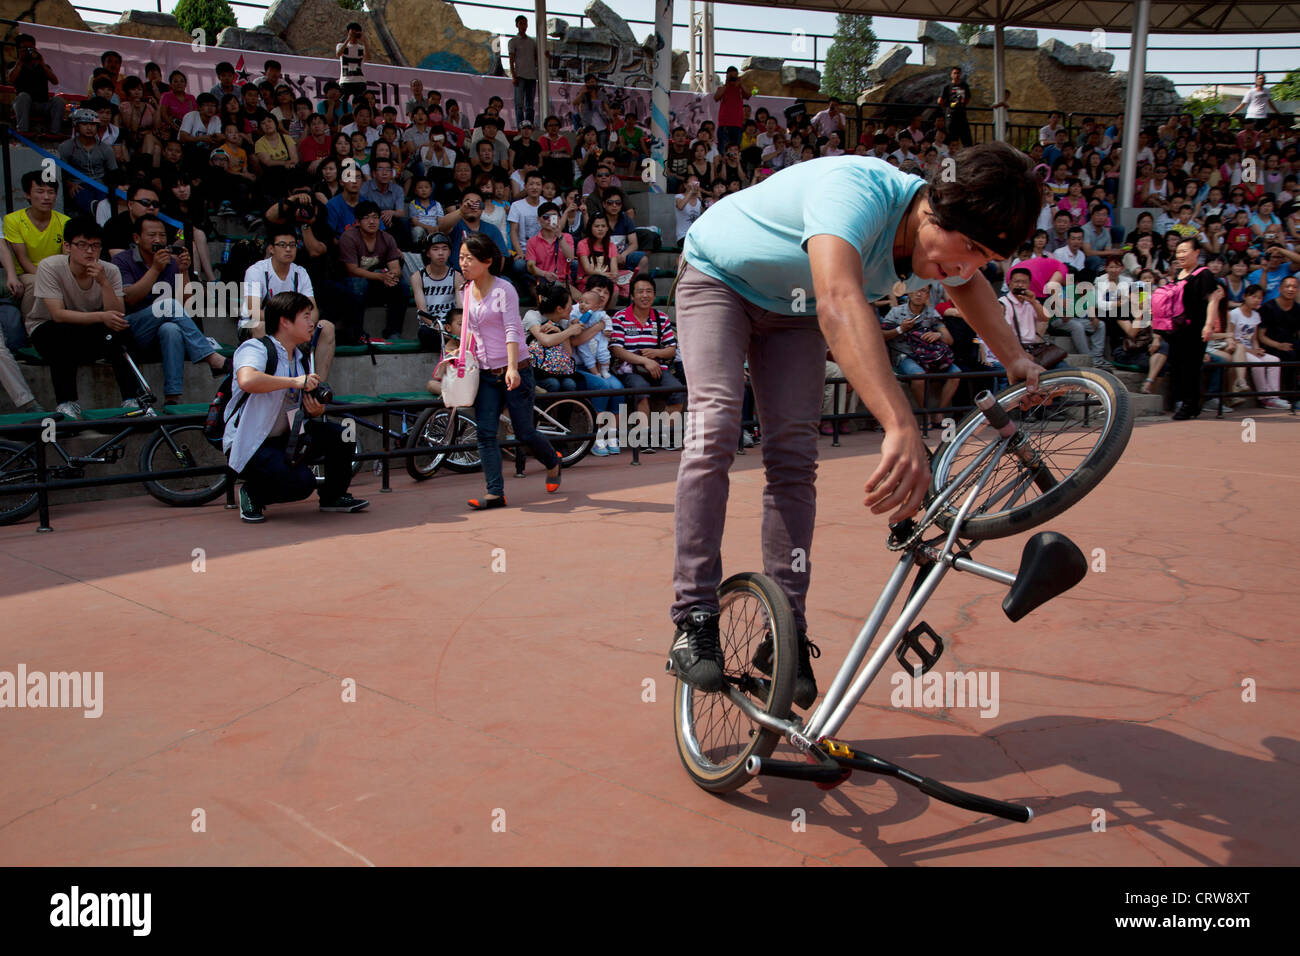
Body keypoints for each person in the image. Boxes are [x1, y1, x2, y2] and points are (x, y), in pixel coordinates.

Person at [669, 144, 1045, 705]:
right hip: (719, 280)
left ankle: (787, 630)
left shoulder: (952, 253)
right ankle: (693, 617)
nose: (965, 268)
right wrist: (899, 424)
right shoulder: (857, 190)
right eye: (965, 247)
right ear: (931, 206)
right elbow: (840, 301)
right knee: (716, 426)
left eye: (984, 256)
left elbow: (968, 288)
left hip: (791, 315)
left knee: (794, 458)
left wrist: (1015, 358)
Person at [225, 290, 368, 522]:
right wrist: (294, 382)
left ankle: (333, 497)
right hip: (252, 441)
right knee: (302, 484)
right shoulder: (256, 348)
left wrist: (314, 411)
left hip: (287, 435)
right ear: (285, 322)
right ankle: (252, 493)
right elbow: (247, 380)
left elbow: (293, 404)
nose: (312, 323)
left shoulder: (299, 357)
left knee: (343, 435)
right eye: (306, 316)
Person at [456, 233, 562, 510]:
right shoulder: (467, 291)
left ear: (487, 261)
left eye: (469, 258)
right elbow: (469, 329)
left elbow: (512, 329)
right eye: (461, 257)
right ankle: (495, 493)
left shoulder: (504, 290)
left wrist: (513, 368)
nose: (463, 263)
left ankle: (552, 460)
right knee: (485, 434)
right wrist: (460, 354)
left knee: (525, 432)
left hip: (516, 370)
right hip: (485, 373)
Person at [27, 218, 141, 418]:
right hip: (47, 328)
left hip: (88, 330)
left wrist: (103, 282)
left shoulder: (110, 270)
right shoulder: (50, 267)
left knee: (122, 330)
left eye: (95, 246)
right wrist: (101, 316)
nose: (90, 251)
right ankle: (66, 402)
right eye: (82, 245)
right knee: (60, 334)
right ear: (68, 247)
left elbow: (117, 313)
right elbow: (58, 314)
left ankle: (132, 399)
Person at [112, 215, 227, 404]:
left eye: (162, 235)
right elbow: (130, 299)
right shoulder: (122, 260)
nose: (158, 240)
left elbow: (185, 306)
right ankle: (211, 357)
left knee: (171, 329)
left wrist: (183, 272)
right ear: (136, 238)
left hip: (159, 331)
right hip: (130, 328)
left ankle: (172, 397)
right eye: (151, 235)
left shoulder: (172, 262)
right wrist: (156, 269)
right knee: (167, 305)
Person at [880, 286, 963, 426]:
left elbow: (949, 339)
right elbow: (881, 336)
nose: (919, 294)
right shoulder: (896, 312)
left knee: (956, 373)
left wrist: (938, 335)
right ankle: (924, 413)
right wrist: (900, 329)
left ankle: (939, 413)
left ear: (928, 295)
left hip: (928, 355)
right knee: (919, 376)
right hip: (904, 355)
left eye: (923, 291)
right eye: (915, 290)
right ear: (909, 293)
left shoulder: (931, 313)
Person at [1165, 236, 1223, 419]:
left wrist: (1208, 326)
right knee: (1178, 366)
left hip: (1195, 328)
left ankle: (1189, 405)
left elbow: (1213, 300)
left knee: (1191, 367)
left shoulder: (1204, 274)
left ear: (1197, 252)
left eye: (1184, 251)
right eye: (1178, 251)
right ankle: (1189, 403)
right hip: (1177, 329)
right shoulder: (1178, 274)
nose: (1180, 255)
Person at [338, 201, 408, 342]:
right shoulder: (349, 237)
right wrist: (380, 276)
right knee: (358, 284)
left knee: (401, 286)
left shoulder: (387, 238)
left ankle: (393, 332)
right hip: (349, 283)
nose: (372, 221)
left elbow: (396, 268)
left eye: (375, 217)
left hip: (376, 282)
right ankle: (356, 333)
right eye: (366, 218)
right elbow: (352, 270)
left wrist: (390, 275)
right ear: (357, 222)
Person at [412, 233, 463, 351]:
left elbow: (461, 308)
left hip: (451, 323)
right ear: (428, 253)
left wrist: (454, 327)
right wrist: (441, 330)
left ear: (450, 252)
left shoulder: (456, 276)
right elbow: (422, 311)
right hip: (432, 325)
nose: (440, 253)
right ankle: (451, 344)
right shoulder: (418, 277)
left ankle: (451, 344)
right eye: (435, 249)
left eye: (444, 249)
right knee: (425, 334)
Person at [8, 33, 65, 136]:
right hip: (25, 104)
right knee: (23, 97)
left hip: (43, 104)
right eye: (25, 48)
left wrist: (41, 63)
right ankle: (23, 130)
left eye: (31, 48)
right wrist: (20, 61)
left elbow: (55, 81)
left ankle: (55, 132)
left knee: (59, 100)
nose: (29, 51)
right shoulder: (15, 66)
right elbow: (11, 79)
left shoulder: (42, 66)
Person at [508, 15, 538, 129]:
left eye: (525, 23)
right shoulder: (513, 41)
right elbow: (511, 60)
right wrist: (513, 75)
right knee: (519, 104)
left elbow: (536, 58)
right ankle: (520, 127)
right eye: (521, 23)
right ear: (517, 25)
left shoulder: (532, 42)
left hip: (531, 76)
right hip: (520, 75)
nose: (523, 26)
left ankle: (529, 126)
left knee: (530, 105)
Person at [938, 65, 972, 149]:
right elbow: (940, 100)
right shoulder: (947, 87)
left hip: (962, 115)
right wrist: (948, 107)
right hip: (951, 116)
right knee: (951, 138)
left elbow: (968, 99)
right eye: (955, 73)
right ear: (951, 75)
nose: (957, 75)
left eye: (958, 73)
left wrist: (961, 105)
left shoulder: (965, 86)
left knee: (967, 139)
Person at [337, 22, 368, 102]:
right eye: (352, 32)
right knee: (342, 102)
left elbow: (368, 57)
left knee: (360, 103)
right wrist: (348, 39)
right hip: (345, 80)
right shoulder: (341, 45)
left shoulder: (361, 48)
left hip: (360, 80)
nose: (354, 34)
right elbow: (338, 54)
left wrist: (364, 42)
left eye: (356, 32)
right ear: (348, 32)